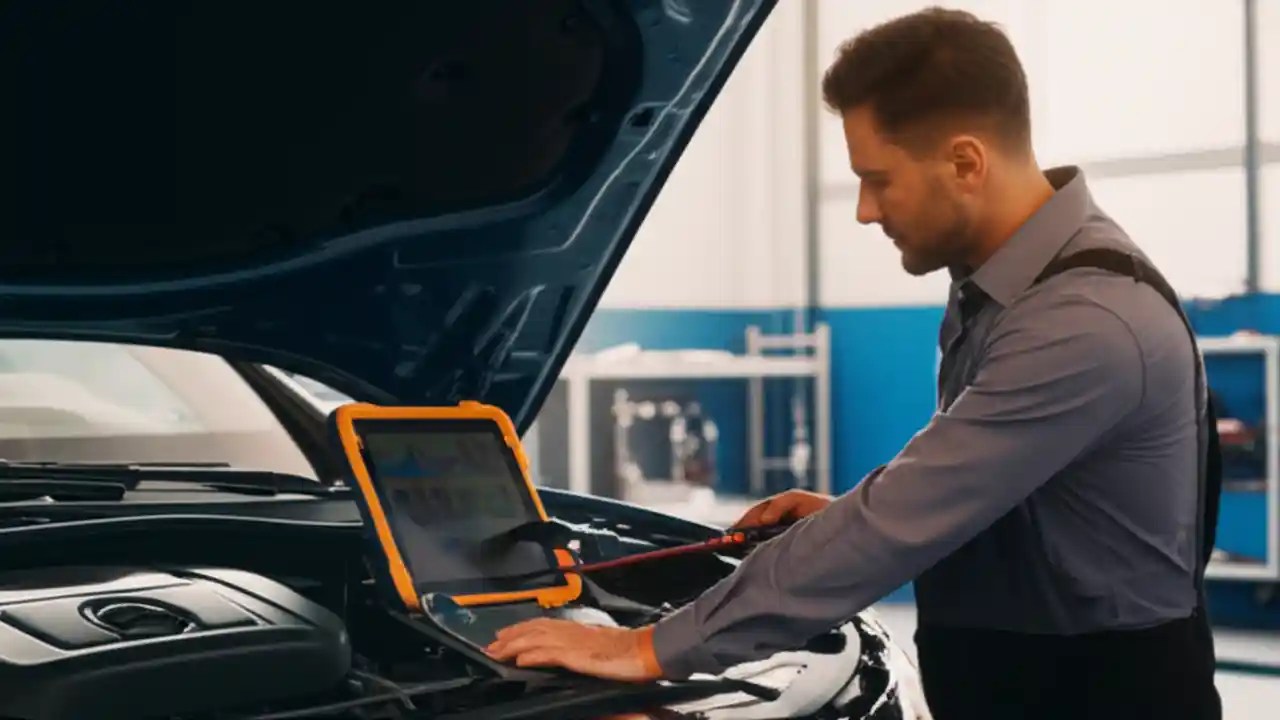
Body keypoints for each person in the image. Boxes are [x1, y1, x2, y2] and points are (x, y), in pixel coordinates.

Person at [486, 7, 1221, 718]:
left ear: (965, 161)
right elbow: (1010, 501)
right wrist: (840, 521)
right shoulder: (1007, 284)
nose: (866, 211)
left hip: (1103, 697)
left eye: (879, 179)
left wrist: (647, 648)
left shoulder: (1081, 323)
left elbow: (904, 517)